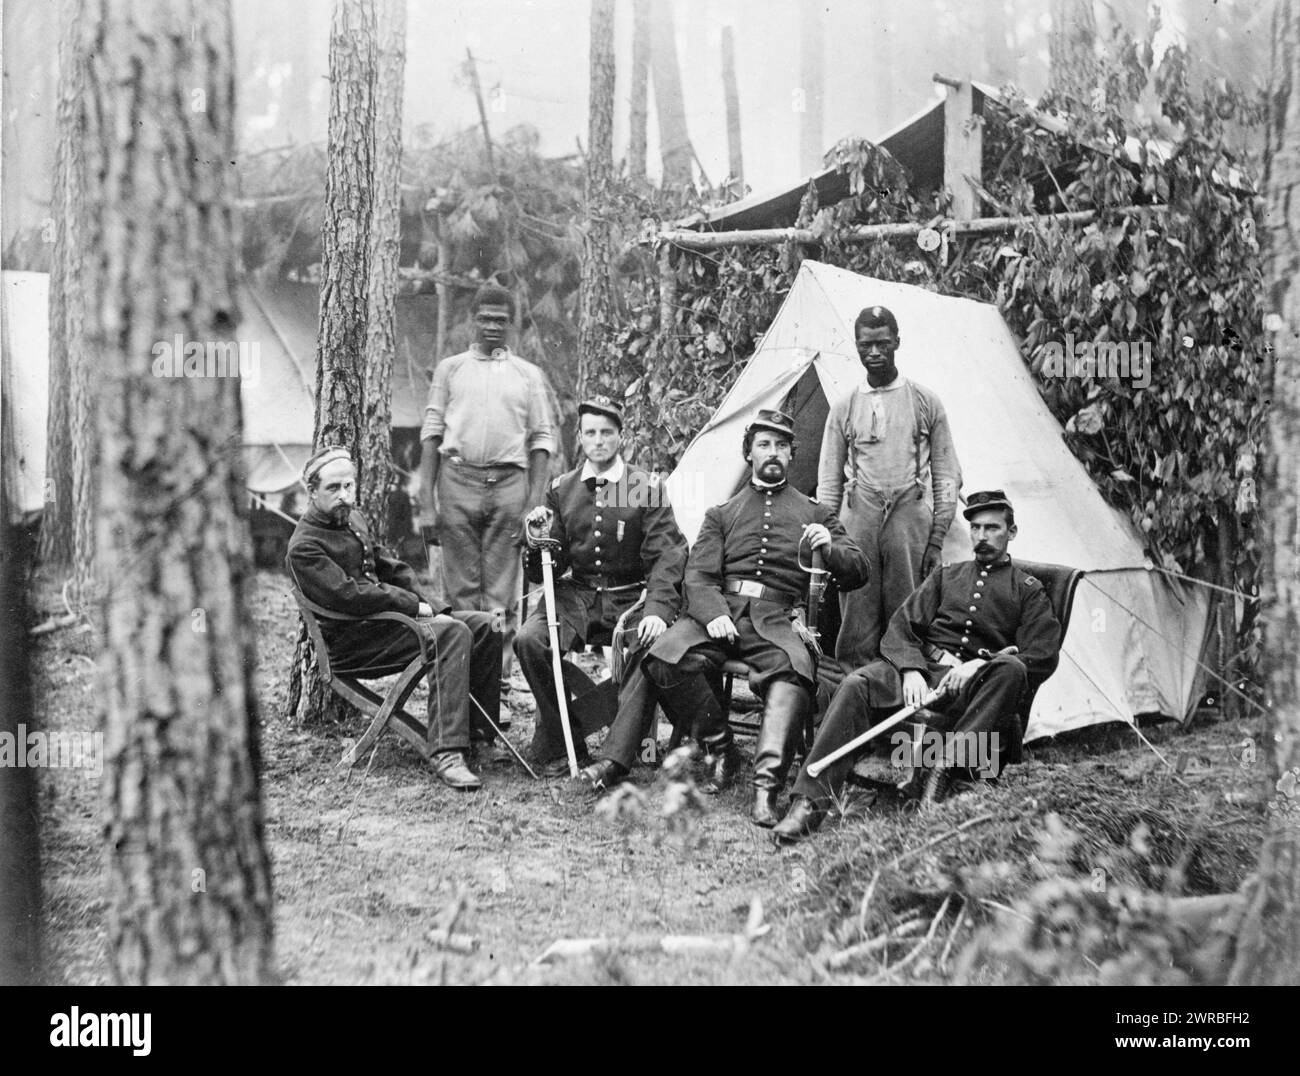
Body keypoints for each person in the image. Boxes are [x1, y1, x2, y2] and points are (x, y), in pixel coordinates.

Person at [774, 489, 1062, 842]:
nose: (982, 537)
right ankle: (809, 803)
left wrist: (979, 666)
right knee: (858, 683)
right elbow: (901, 626)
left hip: (975, 691)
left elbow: (1043, 653)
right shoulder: (947, 577)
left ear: (1011, 533)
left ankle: (943, 770)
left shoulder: (1027, 590)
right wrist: (912, 669)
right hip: (924, 673)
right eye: (976, 529)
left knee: (1012, 670)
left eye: (993, 529)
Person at [644, 408, 870, 825]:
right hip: (722, 614)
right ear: (748, 452)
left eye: (781, 446)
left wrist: (832, 547)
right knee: (664, 658)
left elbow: (859, 571)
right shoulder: (722, 513)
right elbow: (698, 575)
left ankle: (765, 788)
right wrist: (712, 613)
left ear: (791, 454)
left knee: (793, 672)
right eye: (763, 445)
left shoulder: (816, 513)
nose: (772, 453)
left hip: (776, 621)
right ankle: (722, 748)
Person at [288, 446, 504, 791]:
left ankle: (480, 736)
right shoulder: (305, 546)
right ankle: (447, 751)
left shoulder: (352, 519)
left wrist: (434, 606)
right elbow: (350, 596)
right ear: (311, 492)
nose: (344, 496)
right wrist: (411, 607)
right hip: (355, 643)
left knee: (485, 626)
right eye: (333, 489)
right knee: (450, 635)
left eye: (349, 486)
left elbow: (391, 568)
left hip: (384, 626)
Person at [516, 395, 689, 782]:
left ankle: (614, 759)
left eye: (607, 433)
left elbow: (669, 557)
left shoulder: (644, 487)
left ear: (621, 437)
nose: (598, 441)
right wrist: (536, 537)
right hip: (575, 597)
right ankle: (568, 742)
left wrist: (658, 612)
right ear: (579, 438)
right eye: (590, 433)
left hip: (630, 599)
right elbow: (550, 564)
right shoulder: (562, 489)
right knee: (529, 640)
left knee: (648, 646)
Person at [416, 283, 555, 679]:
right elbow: (431, 434)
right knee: (459, 593)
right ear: (472, 320)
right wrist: (427, 504)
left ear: (511, 325)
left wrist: (532, 503)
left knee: (499, 597)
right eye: (485, 318)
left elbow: (542, 441)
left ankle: (497, 687)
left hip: (510, 488)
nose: (493, 326)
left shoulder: (528, 376)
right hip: (457, 483)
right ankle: (459, 682)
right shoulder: (451, 369)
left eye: (501, 319)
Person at [817, 304, 962, 668]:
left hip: (909, 515)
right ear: (856, 345)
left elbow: (946, 476)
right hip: (859, 516)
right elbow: (829, 481)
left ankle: (905, 689)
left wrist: (936, 538)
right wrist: (834, 538)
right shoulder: (844, 406)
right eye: (866, 345)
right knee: (857, 612)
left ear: (897, 341)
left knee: (907, 609)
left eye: (883, 343)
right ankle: (858, 690)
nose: (875, 353)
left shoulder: (925, 401)